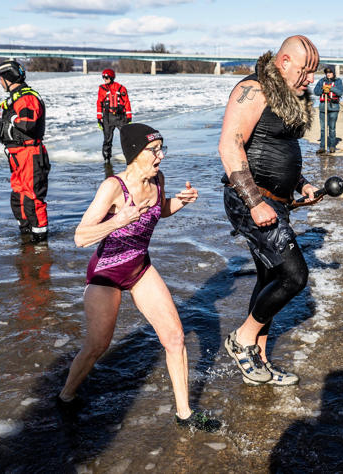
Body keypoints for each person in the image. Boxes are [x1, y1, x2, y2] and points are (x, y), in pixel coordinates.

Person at [58, 123, 220, 432]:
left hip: (140, 267)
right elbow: (80, 237)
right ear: (135, 153)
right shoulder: (113, 187)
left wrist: (180, 202)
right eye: (154, 150)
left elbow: (159, 210)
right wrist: (118, 220)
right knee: (97, 345)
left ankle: (184, 413)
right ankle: (66, 396)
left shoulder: (158, 179)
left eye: (162, 148)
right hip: (106, 274)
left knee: (175, 338)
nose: (161, 156)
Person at [218, 35, 320, 385]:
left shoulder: (285, 98)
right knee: (294, 276)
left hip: (275, 201)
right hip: (250, 199)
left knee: (269, 278)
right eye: (306, 72)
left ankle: (258, 362)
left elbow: (278, 149)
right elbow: (230, 144)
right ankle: (242, 340)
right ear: (285, 62)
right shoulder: (253, 90)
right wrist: (255, 201)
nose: (310, 80)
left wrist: (301, 184)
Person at [0, 60, 51, 242]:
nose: (0, 82)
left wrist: (10, 122)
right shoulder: (15, 97)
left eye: (1, 78)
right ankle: (26, 237)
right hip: (17, 154)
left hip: (29, 153)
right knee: (18, 196)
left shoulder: (26, 97)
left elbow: (28, 122)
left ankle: (40, 245)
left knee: (32, 197)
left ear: (7, 78)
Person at [97, 68, 132, 162]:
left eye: (106, 77)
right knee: (107, 139)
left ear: (112, 77)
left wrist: (129, 116)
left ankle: (131, 156)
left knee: (126, 137)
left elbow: (127, 102)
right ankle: (107, 159)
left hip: (120, 117)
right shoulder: (102, 89)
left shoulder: (121, 88)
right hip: (107, 117)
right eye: (103, 77)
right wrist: (99, 118)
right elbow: (99, 103)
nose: (104, 79)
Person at [313, 66, 343, 154]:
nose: (328, 74)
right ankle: (322, 147)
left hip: (333, 107)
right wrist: (323, 89)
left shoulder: (338, 81)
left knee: (332, 128)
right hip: (323, 107)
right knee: (323, 128)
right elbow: (316, 92)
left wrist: (330, 88)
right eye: (327, 73)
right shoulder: (322, 81)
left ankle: (332, 146)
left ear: (333, 73)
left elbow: (340, 92)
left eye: (330, 72)